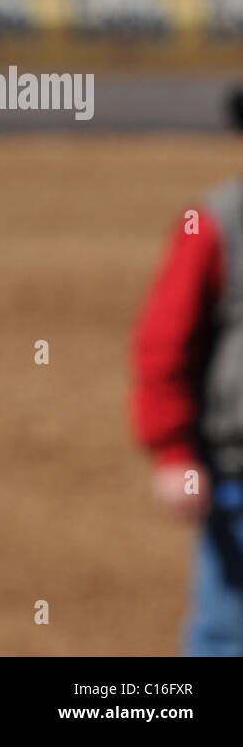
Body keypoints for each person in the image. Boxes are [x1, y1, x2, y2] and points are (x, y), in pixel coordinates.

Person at [131, 174, 243, 655]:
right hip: (237, 471)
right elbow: (166, 341)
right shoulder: (215, 220)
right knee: (228, 630)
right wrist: (174, 449)